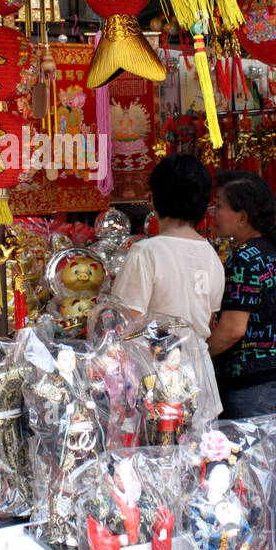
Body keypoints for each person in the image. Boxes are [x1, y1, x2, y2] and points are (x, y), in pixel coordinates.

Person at [207, 171, 276, 530]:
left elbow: (233, 330)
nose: (214, 213)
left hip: (261, 384)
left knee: (252, 468)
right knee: (275, 459)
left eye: (219, 207)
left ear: (243, 216)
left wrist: (200, 356)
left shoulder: (245, 260)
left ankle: (263, 548)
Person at [111, 154, 224, 414]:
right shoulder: (211, 255)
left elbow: (124, 326)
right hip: (201, 379)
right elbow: (207, 320)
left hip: (158, 383)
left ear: (153, 199)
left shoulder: (146, 252)